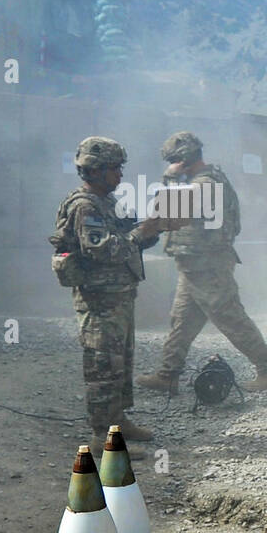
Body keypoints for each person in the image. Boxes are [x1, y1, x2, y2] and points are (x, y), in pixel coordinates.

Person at [137, 131, 267, 394]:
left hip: (208, 266)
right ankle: (168, 374)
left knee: (230, 317)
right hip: (196, 265)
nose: (170, 166)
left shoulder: (202, 185)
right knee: (182, 320)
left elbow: (166, 215)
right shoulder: (205, 181)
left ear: (182, 160)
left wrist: (169, 179)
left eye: (172, 161)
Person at [50, 136, 166, 451]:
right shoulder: (84, 205)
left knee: (121, 362)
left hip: (117, 298)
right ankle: (103, 435)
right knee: (102, 366)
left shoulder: (105, 202)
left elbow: (123, 236)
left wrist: (151, 229)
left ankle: (118, 421)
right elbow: (100, 249)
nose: (120, 175)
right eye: (114, 169)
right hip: (98, 301)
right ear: (96, 171)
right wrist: (142, 232)